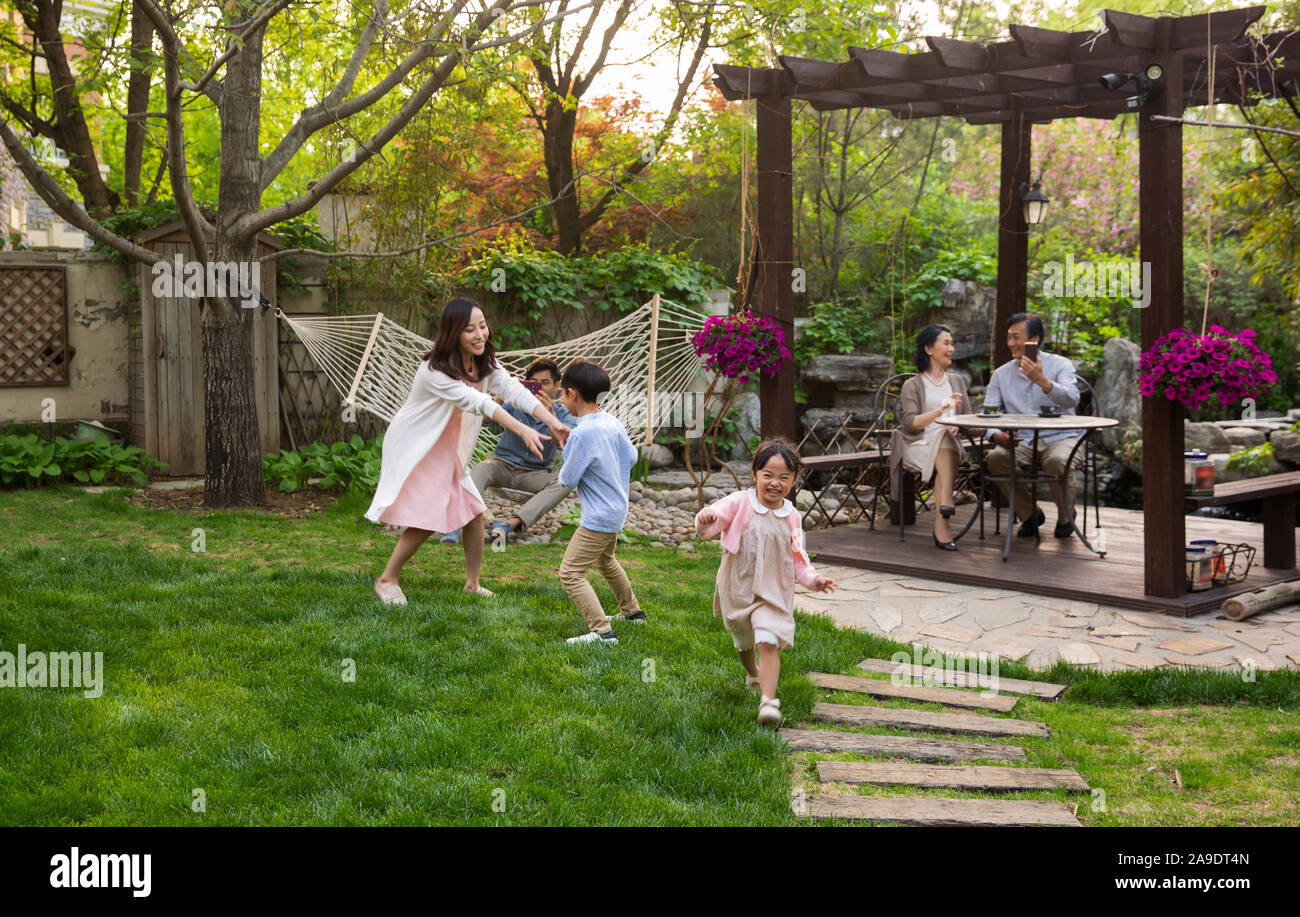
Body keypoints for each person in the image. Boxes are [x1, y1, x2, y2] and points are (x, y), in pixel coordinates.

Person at [367, 298, 570, 604]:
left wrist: (553, 423)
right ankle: (386, 579)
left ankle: (472, 584)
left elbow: (514, 390)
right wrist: (523, 428)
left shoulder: (482, 362)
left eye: (483, 325)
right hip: (422, 444)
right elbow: (481, 403)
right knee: (429, 514)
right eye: (469, 329)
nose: (479, 335)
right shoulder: (434, 370)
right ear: (453, 333)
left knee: (473, 511)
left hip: (449, 445)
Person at [694, 439, 837, 726]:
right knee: (744, 641)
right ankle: (753, 674)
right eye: (768, 475)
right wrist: (705, 517)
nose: (775, 483)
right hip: (739, 586)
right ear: (755, 474)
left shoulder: (792, 516)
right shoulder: (740, 502)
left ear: (795, 480)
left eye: (784, 477)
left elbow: (799, 559)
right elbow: (713, 522)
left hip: (773, 589)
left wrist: (813, 579)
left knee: (767, 639)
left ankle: (769, 703)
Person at [440, 358, 579, 545]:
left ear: (556, 386)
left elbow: (562, 442)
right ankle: (456, 525)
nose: (539, 388)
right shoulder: (515, 404)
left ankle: (508, 524)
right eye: (533, 384)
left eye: (544, 383)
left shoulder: (563, 415)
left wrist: (550, 415)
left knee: (565, 483)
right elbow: (487, 420)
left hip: (534, 473)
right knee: (481, 469)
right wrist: (501, 396)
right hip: (501, 465)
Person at [555, 360, 645, 645]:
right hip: (617, 509)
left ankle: (602, 633)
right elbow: (632, 458)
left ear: (572, 394)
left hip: (599, 517)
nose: (561, 399)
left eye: (561, 393)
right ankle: (633, 613)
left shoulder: (581, 434)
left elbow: (567, 480)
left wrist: (568, 452)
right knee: (606, 560)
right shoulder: (610, 421)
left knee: (570, 572)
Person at [983, 312, 1081, 538]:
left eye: (1016, 337)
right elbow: (988, 412)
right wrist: (996, 435)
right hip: (1022, 440)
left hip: (1062, 437)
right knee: (996, 458)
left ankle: (1066, 516)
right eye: (1008, 337)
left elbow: (1073, 398)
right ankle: (1029, 515)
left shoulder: (1060, 365)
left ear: (1034, 339)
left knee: (1057, 461)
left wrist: (1042, 381)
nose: (1011, 343)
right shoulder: (1001, 375)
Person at [892, 325, 970, 550]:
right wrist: (941, 412)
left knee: (946, 436)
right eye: (946, 343)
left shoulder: (956, 381)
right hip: (917, 445)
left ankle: (943, 514)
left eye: (952, 343)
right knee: (943, 435)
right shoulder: (913, 385)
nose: (951, 348)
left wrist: (959, 426)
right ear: (929, 349)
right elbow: (911, 423)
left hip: (948, 446)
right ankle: (944, 509)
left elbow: (967, 418)